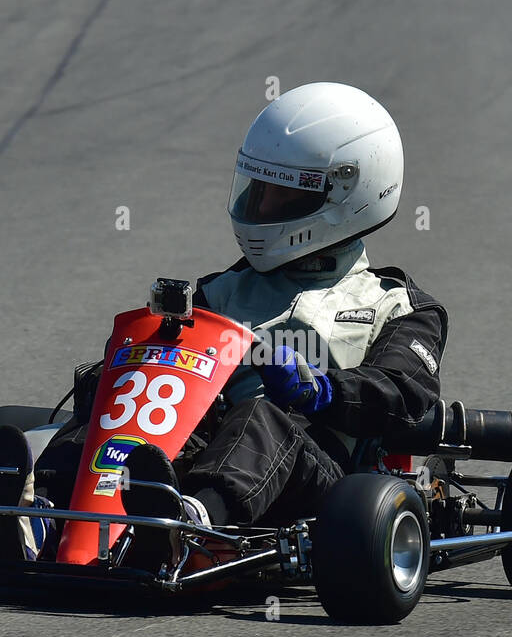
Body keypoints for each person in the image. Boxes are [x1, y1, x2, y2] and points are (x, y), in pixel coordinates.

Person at [118, 82, 448, 553]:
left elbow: (405, 394)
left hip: (324, 480)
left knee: (263, 414)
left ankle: (190, 525)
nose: (262, 208)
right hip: (206, 448)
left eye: (282, 196)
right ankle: (39, 510)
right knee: (121, 395)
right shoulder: (219, 292)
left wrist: (323, 390)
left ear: (348, 194)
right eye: (259, 190)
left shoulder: (395, 305)